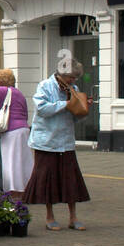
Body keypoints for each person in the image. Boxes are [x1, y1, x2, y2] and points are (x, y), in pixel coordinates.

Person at [24, 49, 91, 231]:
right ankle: (49, 216)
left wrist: (82, 109)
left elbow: (75, 118)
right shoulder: (45, 86)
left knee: (70, 179)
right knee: (48, 180)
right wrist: (65, 104)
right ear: (61, 74)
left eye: (75, 78)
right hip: (46, 140)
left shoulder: (74, 89)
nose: (73, 81)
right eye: (71, 77)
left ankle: (73, 216)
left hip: (66, 140)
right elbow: (42, 109)